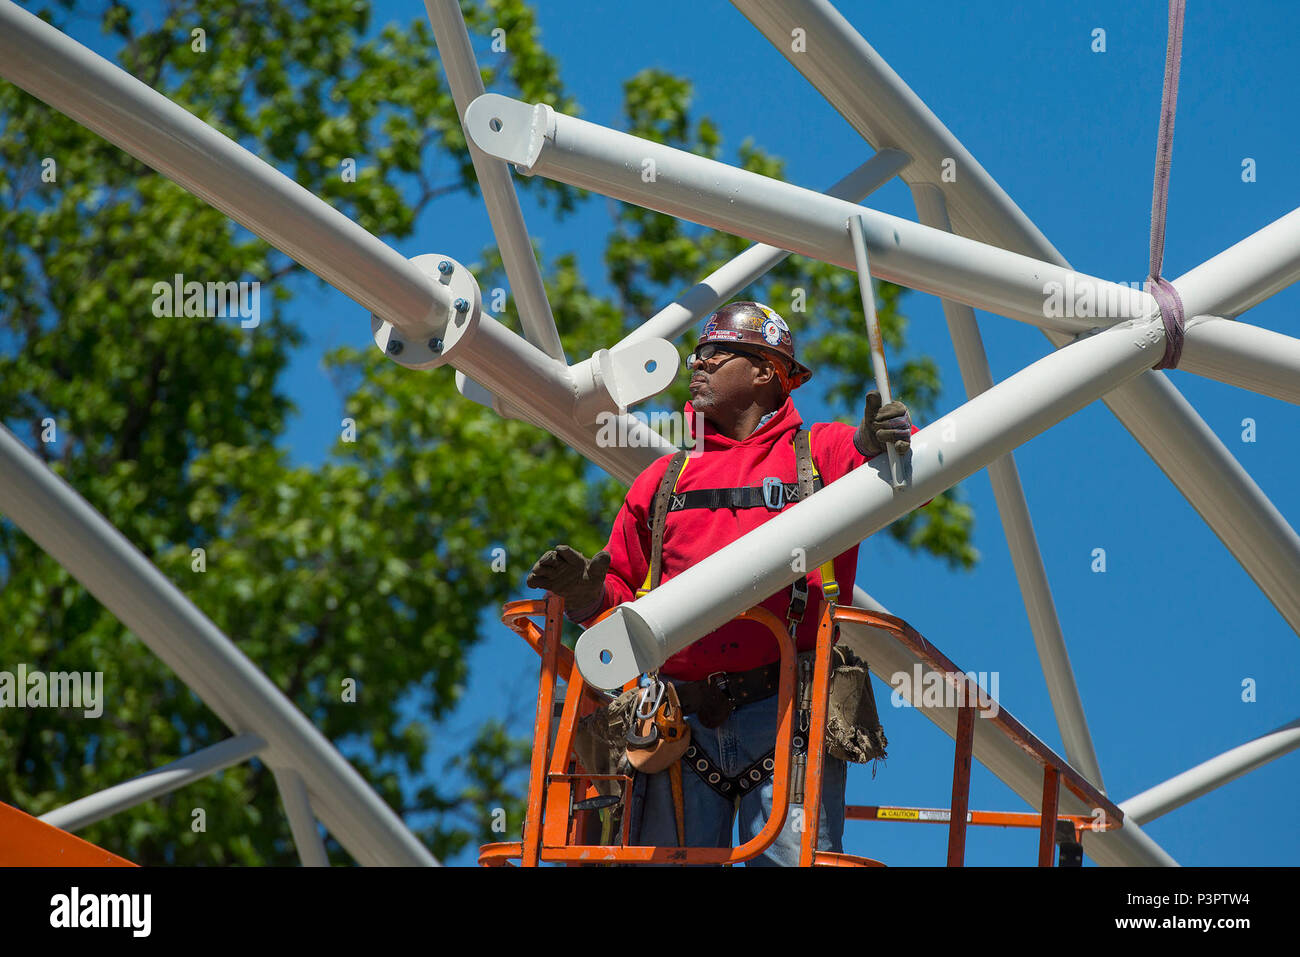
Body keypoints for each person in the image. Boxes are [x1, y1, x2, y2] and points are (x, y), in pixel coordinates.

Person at [526, 300, 919, 865]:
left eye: (715, 353)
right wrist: (588, 597)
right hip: (677, 721)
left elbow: (917, 476)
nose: (698, 365)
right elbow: (623, 610)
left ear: (766, 371)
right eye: (696, 354)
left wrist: (882, 443)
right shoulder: (664, 482)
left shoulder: (824, 455)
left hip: (786, 711)